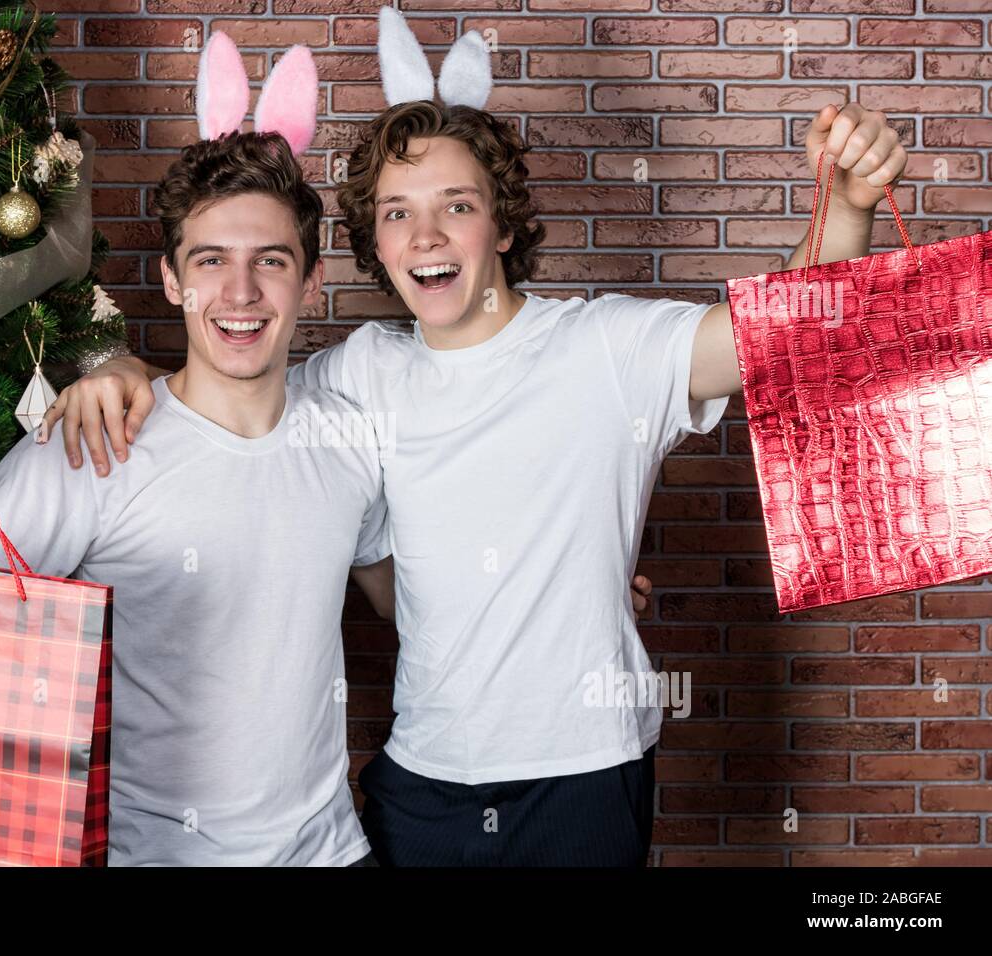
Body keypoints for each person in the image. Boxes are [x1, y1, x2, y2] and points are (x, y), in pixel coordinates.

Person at [46, 82, 905, 864]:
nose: (425, 235)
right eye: (395, 212)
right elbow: (227, 403)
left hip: (583, 773)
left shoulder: (604, 347)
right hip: (420, 783)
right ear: (372, 242)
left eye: (455, 205)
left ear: (500, 224)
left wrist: (852, 205)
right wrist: (120, 371)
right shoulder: (360, 373)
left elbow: (788, 332)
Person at [0, 122, 403, 865]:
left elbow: (412, 605)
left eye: (271, 261)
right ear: (172, 280)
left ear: (311, 281)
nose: (241, 291)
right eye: (210, 261)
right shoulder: (96, 439)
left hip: (331, 853)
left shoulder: (348, 440)